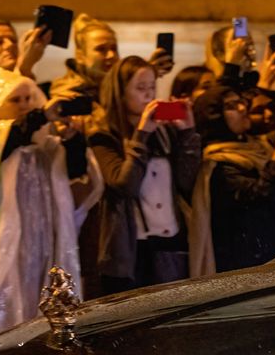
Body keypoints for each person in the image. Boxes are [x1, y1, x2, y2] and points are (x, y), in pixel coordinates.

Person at [0, 64, 103, 345]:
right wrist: (41, 115)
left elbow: (79, 176)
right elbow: (11, 138)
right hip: (1, 243)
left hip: (42, 242)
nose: (25, 105)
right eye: (16, 100)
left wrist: (73, 139)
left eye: (29, 99)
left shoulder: (47, 145)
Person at [83, 56, 201, 295]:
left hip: (170, 244)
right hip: (130, 250)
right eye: (140, 88)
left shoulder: (165, 133)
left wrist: (188, 133)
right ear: (120, 92)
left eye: (152, 87)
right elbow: (125, 184)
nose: (148, 96)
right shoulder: (104, 137)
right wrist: (141, 135)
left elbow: (187, 182)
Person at [188, 87, 275, 274]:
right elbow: (260, 194)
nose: (242, 108)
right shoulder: (217, 164)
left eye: (241, 102)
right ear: (215, 118)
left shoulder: (258, 146)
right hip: (243, 263)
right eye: (231, 106)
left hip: (273, 249)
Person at [48, 14, 172, 117]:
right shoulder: (66, 93)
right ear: (80, 56)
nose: (111, 55)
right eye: (101, 49)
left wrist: (179, 111)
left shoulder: (120, 87)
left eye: (114, 48)